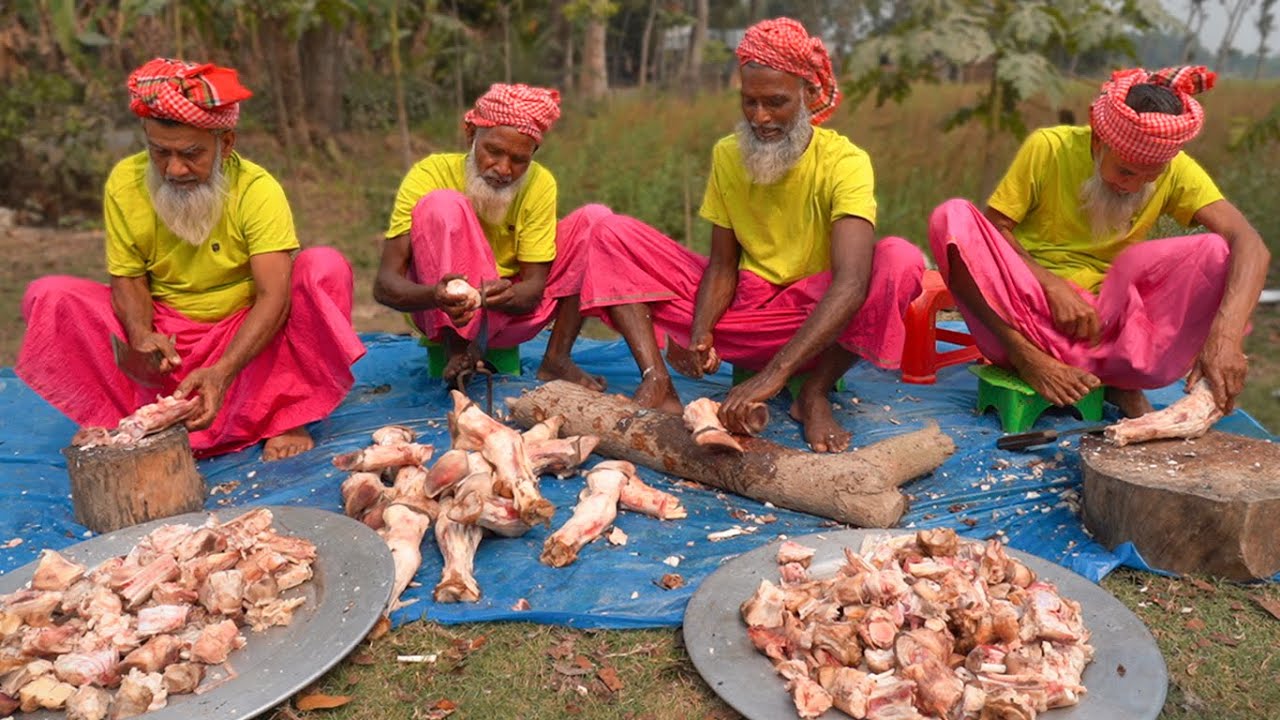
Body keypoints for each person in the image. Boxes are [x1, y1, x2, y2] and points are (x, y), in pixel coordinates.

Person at [564, 18, 925, 452]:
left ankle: (813, 392)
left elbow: (850, 284)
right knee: (610, 232)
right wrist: (701, 335)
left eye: (776, 102)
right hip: (746, 312)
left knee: (901, 259)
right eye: (749, 102)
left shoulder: (846, 162)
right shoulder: (727, 154)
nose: (760, 118)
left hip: (814, 323)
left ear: (809, 95)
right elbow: (721, 265)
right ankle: (657, 380)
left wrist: (774, 376)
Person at [16, 58, 365, 460]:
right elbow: (128, 278)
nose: (174, 169)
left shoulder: (257, 190)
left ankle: (284, 414)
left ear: (226, 143)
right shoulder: (124, 183)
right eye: (159, 153)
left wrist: (222, 371)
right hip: (169, 341)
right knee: (49, 296)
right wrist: (142, 334)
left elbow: (274, 298)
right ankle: (135, 415)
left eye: (191, 154)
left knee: (324, 268)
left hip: (245, 336)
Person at [929, 66, 1269, 418]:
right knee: (952, 217)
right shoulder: (1049, 148)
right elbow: (994, 228)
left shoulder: (1176, 168)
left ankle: (1119, 377)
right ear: (1097, 140)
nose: (1134, 186)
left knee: (1217, 252)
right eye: (1125, 171)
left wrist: (1225, 339)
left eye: (1150, 176)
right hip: (1031, 316)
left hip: (1108, 326)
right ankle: (1027, 359)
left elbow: (1249, 243)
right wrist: (1052, 285)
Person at [373, 83, 601, 389]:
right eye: (493, 151)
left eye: (519, 159)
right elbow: (385, 285)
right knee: (442, 204)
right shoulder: (429, 175)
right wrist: (435, 296)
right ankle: (458, 350)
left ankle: (557, 358)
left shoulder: (539, 184)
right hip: (441, 315)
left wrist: (504, 296)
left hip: (506, 315)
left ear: (533, 154)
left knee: (595, 222)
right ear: (471, 136)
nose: (504, 169)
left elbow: (533, 289)